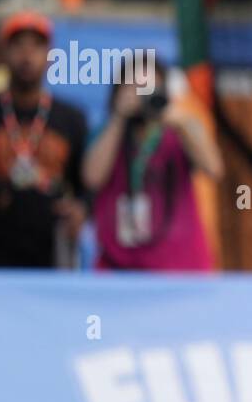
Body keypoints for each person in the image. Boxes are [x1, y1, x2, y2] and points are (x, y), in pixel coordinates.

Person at [0, 12, 88, 268]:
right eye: (18, 45)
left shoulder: (71, 118)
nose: (26, 56)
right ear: (4, 53)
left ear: (50, 56)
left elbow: (85, 187)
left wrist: (80, 210)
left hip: (45, 256)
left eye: (36, 46)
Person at [83, 59, 222, 271]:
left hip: (180, 270)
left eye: (148, 88)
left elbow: (214, 169)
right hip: (118, 268)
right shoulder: (107, 131)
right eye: (133, 87)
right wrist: (119, 117)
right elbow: (92, 178)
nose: (140, 96)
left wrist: (180, 122)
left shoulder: (180, 131)